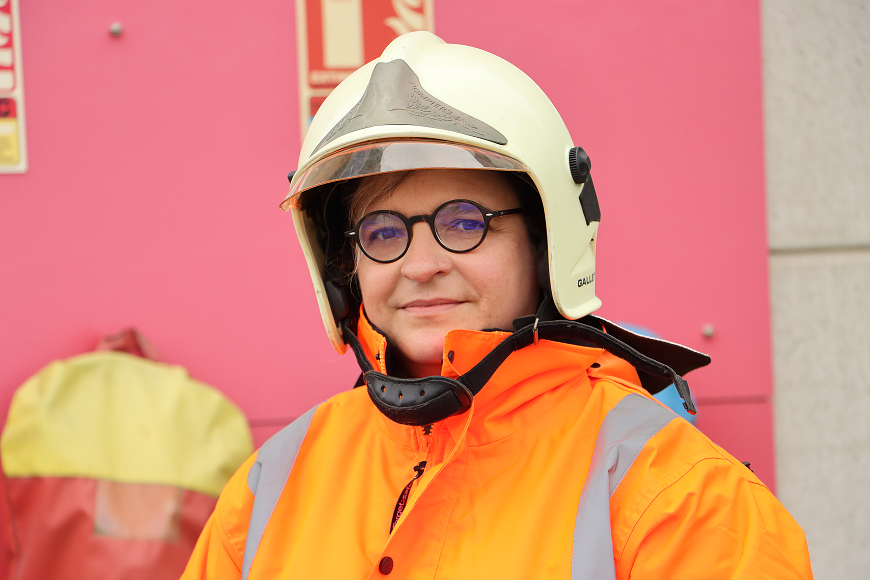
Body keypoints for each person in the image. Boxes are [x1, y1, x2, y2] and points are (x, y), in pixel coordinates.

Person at [182, 31, 813, 579]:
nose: (419, 265)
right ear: (347, 269)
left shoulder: (683, 497)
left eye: (464, 222)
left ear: (544, 244)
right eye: (383, 232)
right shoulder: (269, 487)